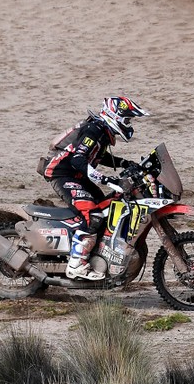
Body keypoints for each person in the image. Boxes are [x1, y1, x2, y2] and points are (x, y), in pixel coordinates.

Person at [42, 96, 150, 280]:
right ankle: (76, 265)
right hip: (62, 174)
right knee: (92, 215)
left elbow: (99, 155)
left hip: (76, 175)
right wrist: (106, 180)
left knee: (104, 208)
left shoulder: (101, 131)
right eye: (127, 119)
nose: (129, 124)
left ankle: (95, 255)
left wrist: (126, 163)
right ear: (115, 116)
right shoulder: (94, 130)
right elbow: (78, 159)